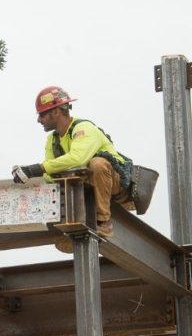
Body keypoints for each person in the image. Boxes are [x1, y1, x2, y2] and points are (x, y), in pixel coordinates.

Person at [11, 86, 133, 240]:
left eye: (42, 114)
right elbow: (49, 172)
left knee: (97, 164)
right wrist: (29, 175)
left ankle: (103, 221)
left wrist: (36, 169)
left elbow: (77, 158)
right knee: (60, 177)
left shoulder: (84, 128)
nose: (39, 120)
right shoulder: (52, 140)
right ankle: (70, 224)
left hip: (116, 181)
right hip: (88, 185)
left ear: (56, 111)